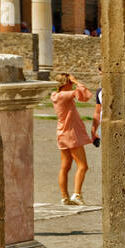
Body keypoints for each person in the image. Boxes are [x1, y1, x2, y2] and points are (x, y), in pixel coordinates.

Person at [50, 73, 91, 206]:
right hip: (71, 134)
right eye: (70, 82)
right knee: (83, 166)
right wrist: (77, 81)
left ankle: (64, 196)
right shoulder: (65, 95)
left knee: (65, 167)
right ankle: (77, 194)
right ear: (66, 83)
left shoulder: (54, 95)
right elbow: (86, 96)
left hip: (61, 133)